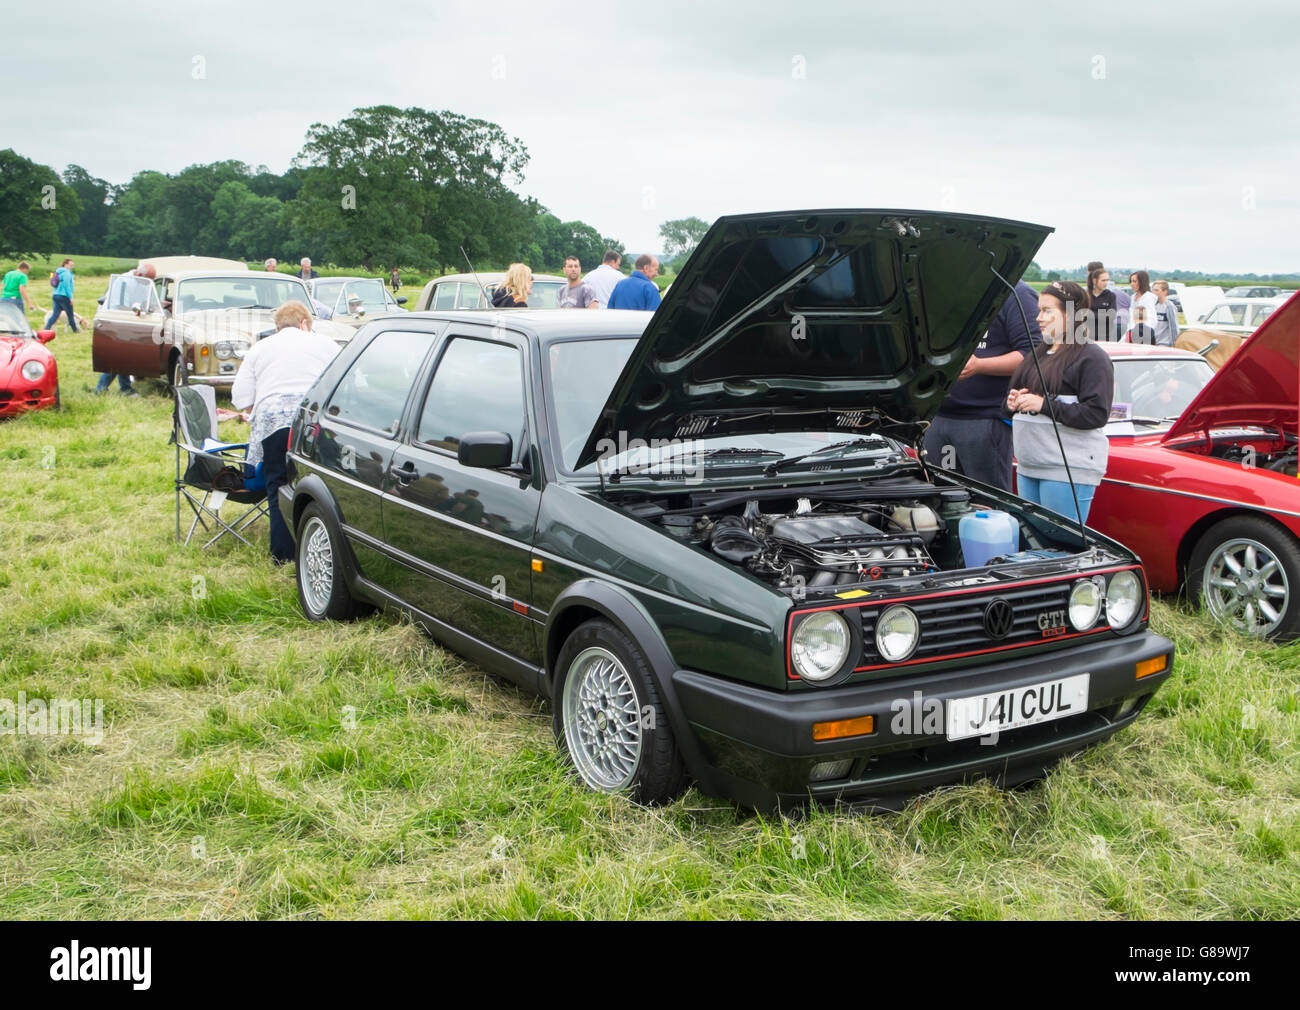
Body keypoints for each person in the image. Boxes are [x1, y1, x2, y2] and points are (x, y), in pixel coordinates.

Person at [230, 300, 339, 563]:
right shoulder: (325, 344)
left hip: (274, 422)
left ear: (278, 328)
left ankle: (283, 555)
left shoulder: (260, 348)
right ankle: (322, 549)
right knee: (322, 485)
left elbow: (240, 398)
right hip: (313, 421)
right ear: (305, 324)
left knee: (277, 483)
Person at [1004, 280, 1114, 525]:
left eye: (1047, 311)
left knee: (1060, 549)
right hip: (1029, 467)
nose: (1039, 318)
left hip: (1065, 470)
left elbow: (1096, 414)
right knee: (1036, 544)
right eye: (1039, 310)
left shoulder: (1091, 357)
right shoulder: (1037, 355)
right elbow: (1018, 404)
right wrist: (1013, 403)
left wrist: (1042, 405)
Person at [922, 280, 1041, 490]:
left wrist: (979, 365)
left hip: (984, 420)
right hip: (937, 419)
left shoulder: (1016, 293)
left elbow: (1032, 355)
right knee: (941, 499)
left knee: (986, 504)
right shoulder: (946, 291)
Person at [95, 262, 155, 396]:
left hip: (130, 320)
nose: (148, 284)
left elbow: (143, 302)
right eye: (148, 280)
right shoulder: (123, 281)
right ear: (139, 274)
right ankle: (103, 388)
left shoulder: (143, 283)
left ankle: (123, 387)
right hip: (115, 321)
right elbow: (120, 306)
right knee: (119, 357)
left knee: (124, 356)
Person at [46, 258, 80, 332]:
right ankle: (76, 331)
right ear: (66, 264)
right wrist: (70, 297)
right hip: (64, 296)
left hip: (55, 295)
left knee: (55, 315)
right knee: (70, 315)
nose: (72, 266)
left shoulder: (57, 272)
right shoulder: (67, 273)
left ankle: (46, 328)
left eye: (72, 265)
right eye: (71, 265)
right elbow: (67, 286)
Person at [1087, 266, 1119, 341]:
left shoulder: (1110, 296)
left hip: (1106, 336)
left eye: (1107, 280)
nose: (1106, 283)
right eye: (1103, 280)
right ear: (1094, 281)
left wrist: (1090, 314)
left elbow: (1111, 316)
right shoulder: (1086, 295)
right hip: (1088, 336)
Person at [1126, 270, 1157, 340]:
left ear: (1142, 282)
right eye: (1131, 281)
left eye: (1134, 281)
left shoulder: (1148, 297)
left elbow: (1151, 319)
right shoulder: (1133, 297)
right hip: (1131, 333)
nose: (1131, 284)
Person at [1152, 280, 1180, 347]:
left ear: (1165, 291)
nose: (1153, 293)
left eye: (1156, 290)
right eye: (1153, 290)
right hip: (1153, 344)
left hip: (1164, 345)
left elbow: (1174, 328)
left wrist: (1174, 346)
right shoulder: (1153, 305)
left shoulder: (1169, 307)